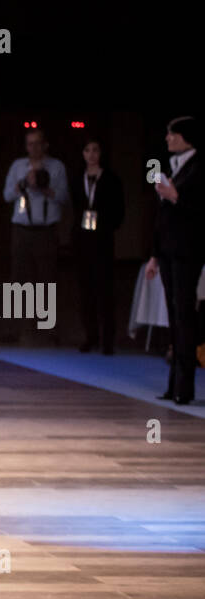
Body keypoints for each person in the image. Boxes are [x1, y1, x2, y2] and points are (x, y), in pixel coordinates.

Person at [147, 116, 204, 405]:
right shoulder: (172, 167)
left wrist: (176, 196)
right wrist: (154, 255)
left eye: (173, 134)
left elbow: (199, 211)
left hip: (187, 251)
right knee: (173, 315)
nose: (168, 138)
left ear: (186, 137)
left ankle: (185, 387)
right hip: (169, 251)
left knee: (184, 316)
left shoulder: (199, 167)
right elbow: (162, 218)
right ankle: (174, 386)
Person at [1, 128, 69, 343]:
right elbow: (6, 195)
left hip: (46, 230)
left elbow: (65, 197)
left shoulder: (56, 167)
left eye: (38, 143)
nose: (34, 148)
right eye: (30, 144)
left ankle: (50, 329)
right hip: (22, 230)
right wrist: (24, 184)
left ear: (45, 145)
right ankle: (14, 328)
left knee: (47, 279)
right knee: (18, 280)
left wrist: (45, 188)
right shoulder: (17, 166)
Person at [72, 137, 125, 354]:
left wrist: (105, 224)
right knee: (86, 290)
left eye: (95, 149)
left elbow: (119, 211)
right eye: (87, 150)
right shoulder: (78, 179)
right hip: (83, 239)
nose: (91, 154)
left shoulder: (111, 179)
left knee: (105, 290)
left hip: (102, 239)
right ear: (83, 153)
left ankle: (108, 339)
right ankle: (90, 335)